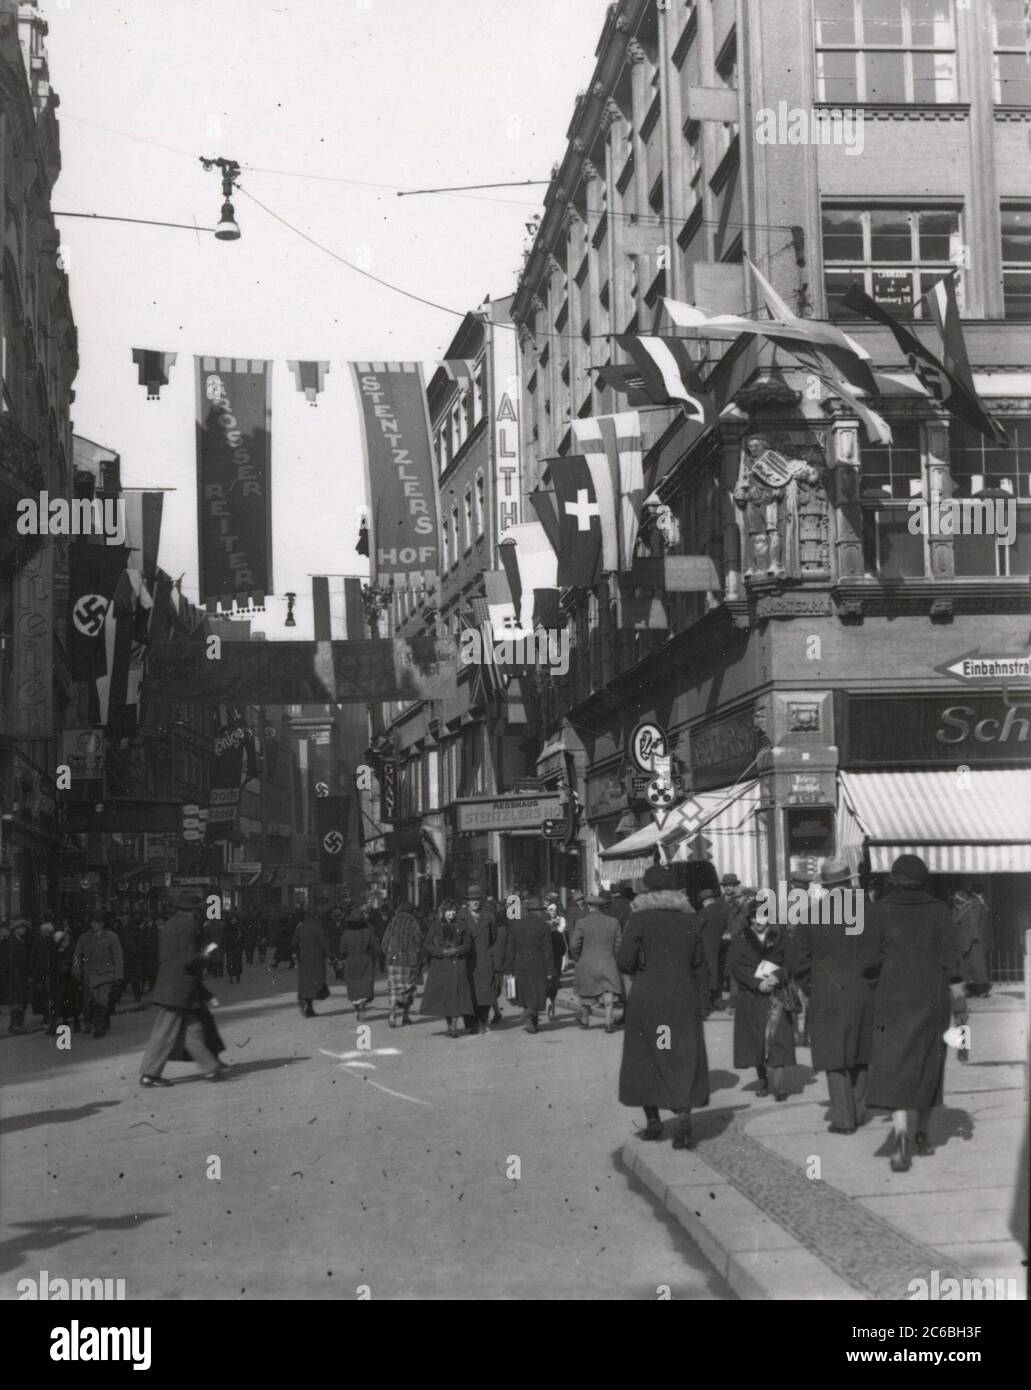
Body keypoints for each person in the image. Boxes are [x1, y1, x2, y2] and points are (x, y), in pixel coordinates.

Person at [864, 855, 967, 1173]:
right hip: (931, 997)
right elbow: (953, 960)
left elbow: (869, 961)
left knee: (895, 1067)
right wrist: (960, 997)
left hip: (892, 998)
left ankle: (901, 1136)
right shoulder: (939, 911)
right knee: (927, 1065)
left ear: (894, 879)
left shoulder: (879, 910)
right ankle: (922, 1134)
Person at [615, 865, 709, 1148]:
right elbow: (700, 964)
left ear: (647, 890)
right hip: (682, 998)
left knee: (648, 1056)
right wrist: (704, 1001)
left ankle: (654, 1121)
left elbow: (625, 961)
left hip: (649, 999)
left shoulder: (640, 919)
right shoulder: (689, 920)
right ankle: (682, 1111)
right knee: (678, 1054)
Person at [789, 859, 877, 1135]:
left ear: (825, 887)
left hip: (827, 993)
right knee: (863, 1052)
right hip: (865, 992)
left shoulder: (810, 916)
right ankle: (860, 1111)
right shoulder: (872, 913)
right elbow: (884, 954)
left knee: (834, 1055)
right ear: (850, 882)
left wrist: (813, 987)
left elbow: (798, 962)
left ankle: (843, 1118)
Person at [138, 892, 229, 1087]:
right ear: (193, 910)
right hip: (179, 987)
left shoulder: (169, 925)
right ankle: (149, 1074)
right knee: (165, 1032)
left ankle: (210, 1069)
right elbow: (189, 960)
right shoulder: (189, 927)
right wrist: (207, 953)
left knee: (193, 1029)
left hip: (172, 985)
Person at [727, 895, 796, 1101]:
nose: (759, 922)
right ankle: (763, 1081)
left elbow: (791, 962)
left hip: (776, 995)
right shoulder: (739, 938)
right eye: (755, 918)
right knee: (756, 1040)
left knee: (778, 1039)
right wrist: (757, 983)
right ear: (749, 919)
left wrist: (777, 977)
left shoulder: (781, 937)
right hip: (751, 995)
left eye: (763, 917)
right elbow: (735, 966)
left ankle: (779, 1085)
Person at [569, 891, 624, 1033]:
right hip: (607, 961)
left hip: (587, 962)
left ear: (589, 906)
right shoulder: (613, 922)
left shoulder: (582, 922)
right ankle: (608, 1020)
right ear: (602, 907)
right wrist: (615, 958)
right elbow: (619, 944)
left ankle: (585, 1019)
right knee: (608, 991)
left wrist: (577, 957)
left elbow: (574, 944)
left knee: (586, 992)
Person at [420, 900, 475, 1038]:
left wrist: (457, 950)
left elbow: (468, 944)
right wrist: (440, 952)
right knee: (445, 997)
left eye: (453, 910)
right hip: (441, 966)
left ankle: (455, 1025)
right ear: (443, 912)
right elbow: (426, 944)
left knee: (456, 996)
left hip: (458, 964)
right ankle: (449, 1024)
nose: (451, 914)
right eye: (448, 911)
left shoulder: (462, 925)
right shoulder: (436, 925)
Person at [503, 894, 555, 1034]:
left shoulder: (515, 925)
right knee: (537, 992)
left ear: (527, 911)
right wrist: (550, 971)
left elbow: (510, 949)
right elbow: (547, 950)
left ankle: (532, 1021)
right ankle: (529, 1015)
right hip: (537, 961)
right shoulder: (543, 926)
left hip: (520, 961)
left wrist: (508, 969)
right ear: (539, 911)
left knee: (525, 991)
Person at [72, 912, 124, 1039]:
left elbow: (118, 957)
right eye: (94, 922)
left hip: (106, 974)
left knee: (102, 1000)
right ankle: (91, 1022)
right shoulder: (84, 938)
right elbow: (77, 956)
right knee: (89, 1002)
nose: (96, 925)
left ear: (103, 923)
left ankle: (99, 1026)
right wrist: (76, 970)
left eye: (99, 922)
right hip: (89, 975)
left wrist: (119, 975)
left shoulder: (112, 937)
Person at [459, 887, 497, 1034]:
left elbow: (493, 937)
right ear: (467, 902)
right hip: (466, 960)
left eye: (477, 899)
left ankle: (483, 1020)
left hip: (483, 959)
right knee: (467, 992)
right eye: (471, 900)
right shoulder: (460, 917)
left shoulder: (489, 917)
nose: (474, 902)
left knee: (484, 992)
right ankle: (470, 1023)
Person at [380, 899, 423, 1028]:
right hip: (409, 961)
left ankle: (392, 1015)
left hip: (394, 961)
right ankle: (405, 1016)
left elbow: (384, 944)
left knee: (394, 989)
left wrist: (388, 955)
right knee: (408, 989)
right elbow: (419, 941)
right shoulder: (414, 924)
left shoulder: (392, 923)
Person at [950, 889, 991, 999]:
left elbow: (973, 929)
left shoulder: (970, 910)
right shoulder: (955, 910)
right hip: (962, 942)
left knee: (977, 968)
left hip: (972, 944)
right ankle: (970, 990)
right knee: (965, 969)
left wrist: (967, 945)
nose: (954, 902)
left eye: (955, 900)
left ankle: (983, 990)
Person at [336, 911, 378, 1018]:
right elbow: (375, 947)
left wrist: (341, 960)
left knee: (353, 985)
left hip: (351, 961)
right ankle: (363, 1005)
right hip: (366, 960)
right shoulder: (368, 932)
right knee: (365, 984)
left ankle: (357, 1007)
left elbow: (342, 949)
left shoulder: (346, 933)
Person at [696, 886, 730, 1012]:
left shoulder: (704, 913)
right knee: (718, 973)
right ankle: (718, 1001)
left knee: (708, 975)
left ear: (704, 901)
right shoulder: (724, 911)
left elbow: (696, 930)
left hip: (706, 947)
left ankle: (707, 1003)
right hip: (721, 946)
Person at [292, 913, 330, 1017]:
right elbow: (323, 942)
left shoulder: (300, 927)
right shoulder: (318, 927)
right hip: (317, 957)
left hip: (304, 957)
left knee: (305, 982)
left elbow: (294, 942)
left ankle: (306, 1003)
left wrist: (296, 952)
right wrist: (330, 954)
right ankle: (311, 1005)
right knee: (317, 979)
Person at [1, 918, 32, 1034]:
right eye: (22, 928)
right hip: (16, 977)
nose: (24, 930)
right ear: (16, 929)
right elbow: (12, 961)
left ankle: (16, 1025)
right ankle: (16, 1025)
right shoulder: (13, 942)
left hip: (19, 976)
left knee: (20, 1001)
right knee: (17, 1001)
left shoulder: (18, 940)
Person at [542, 898, 567, 1023]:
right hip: (556, 963)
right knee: (555, 984)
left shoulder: (541, 935)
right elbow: (563, 950)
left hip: (544, 964)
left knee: (545, 983)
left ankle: (547, 1001)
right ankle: (552, 1002)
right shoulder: (557, 934)